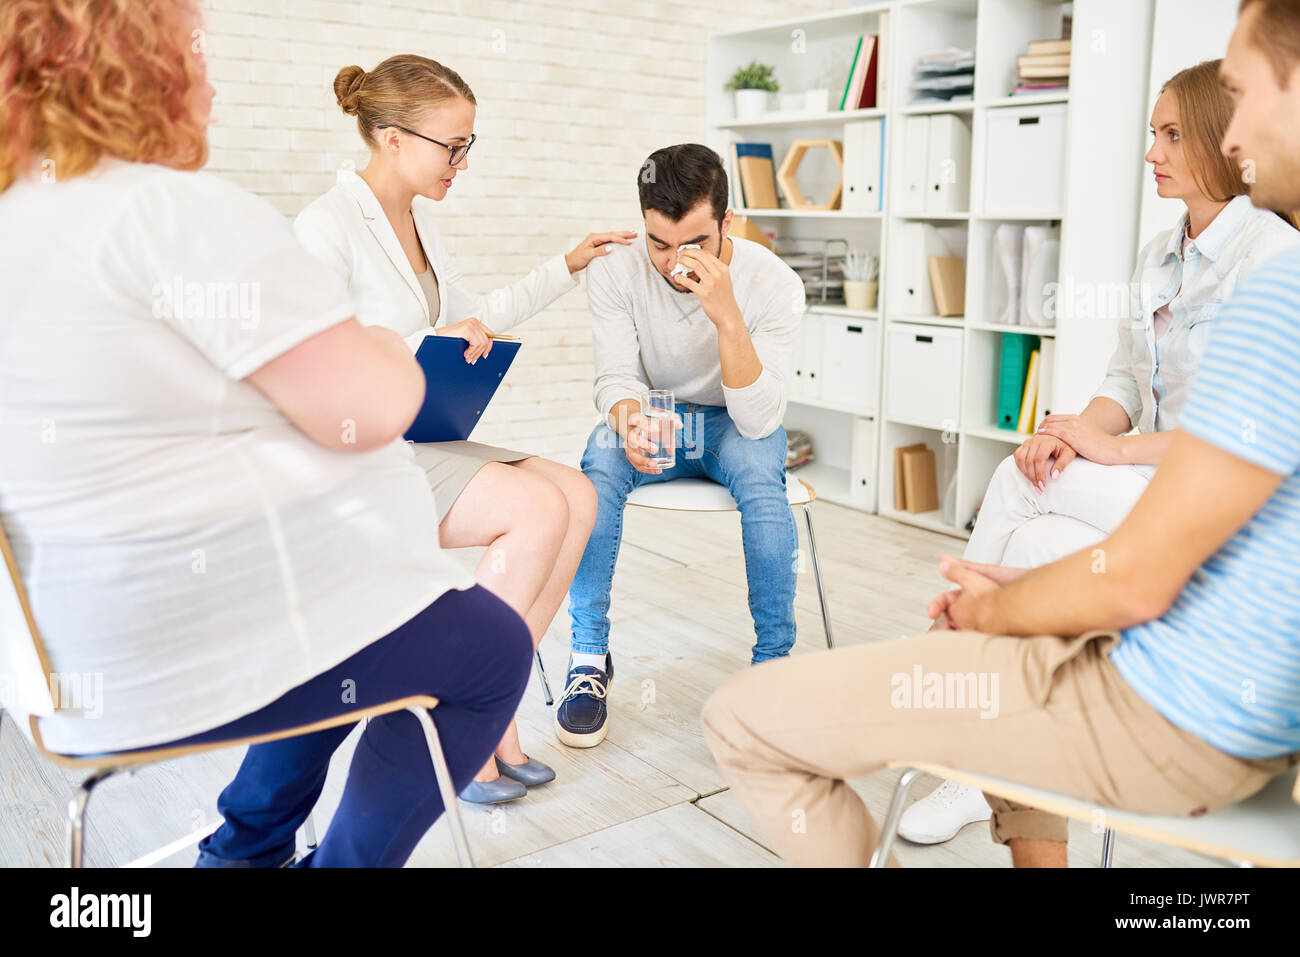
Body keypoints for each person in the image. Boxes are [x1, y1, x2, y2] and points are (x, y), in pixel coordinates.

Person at [700, 0, 1300, 868]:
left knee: (741, 718)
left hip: (1180, 712)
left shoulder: (1277, 279)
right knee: (1042, 539)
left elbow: (1135, 581)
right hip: (1229, 696)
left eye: (1238, 97)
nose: (1235, 134)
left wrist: (992, 606)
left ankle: (960, 659)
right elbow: (1130, 390)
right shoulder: (1191, 263)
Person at [0, 0, 532, 867]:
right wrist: (388, 355)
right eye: (196, 53)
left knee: (349, 616)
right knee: (488, 650)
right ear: (143, 69)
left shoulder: (19, 218)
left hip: (55, 668)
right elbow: (371, 409)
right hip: (185, 647)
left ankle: (245, 854)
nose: (210, 79)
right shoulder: (168, 213)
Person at [900, 58, 1300, 846]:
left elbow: (1254, 430)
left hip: (1218, 506)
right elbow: (1126, 376)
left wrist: (1108, 454)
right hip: (1142, 482)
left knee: (1012, 493)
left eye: (1173, 134)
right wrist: (1073, 430)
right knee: (1040, 530)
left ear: (1224, 140)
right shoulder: (1160, 250)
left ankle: (941, 695)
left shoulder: (1272, 258)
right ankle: (990, 765)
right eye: (1153, 133)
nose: (1152, 151)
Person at [294, 55, 633, 804]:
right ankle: (456, 728)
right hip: (363, 457)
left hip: (424, 436)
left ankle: (495, 709)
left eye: (468, 144)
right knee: (536, 508)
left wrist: (567, 265)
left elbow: (479, 315)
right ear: (391, 137)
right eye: (454, 146)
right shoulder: (325, 228)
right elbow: (308, 374)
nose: (463, 162)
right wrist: (402, 358)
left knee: (577, 494)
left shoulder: (419, 222)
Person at [555, 144, 806, 749]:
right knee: (596, 470)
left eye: (693, 243)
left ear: (728, 221)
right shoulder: (616, 269)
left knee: (762, 485)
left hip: (733, 422)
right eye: (659, 243)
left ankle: (774, 665)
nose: (674, 263)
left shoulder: (773, 282)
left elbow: (759, 416)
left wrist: (727, 318)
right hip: (657, 414)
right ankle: (588, 659)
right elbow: (615, 377)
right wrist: (629, 417)